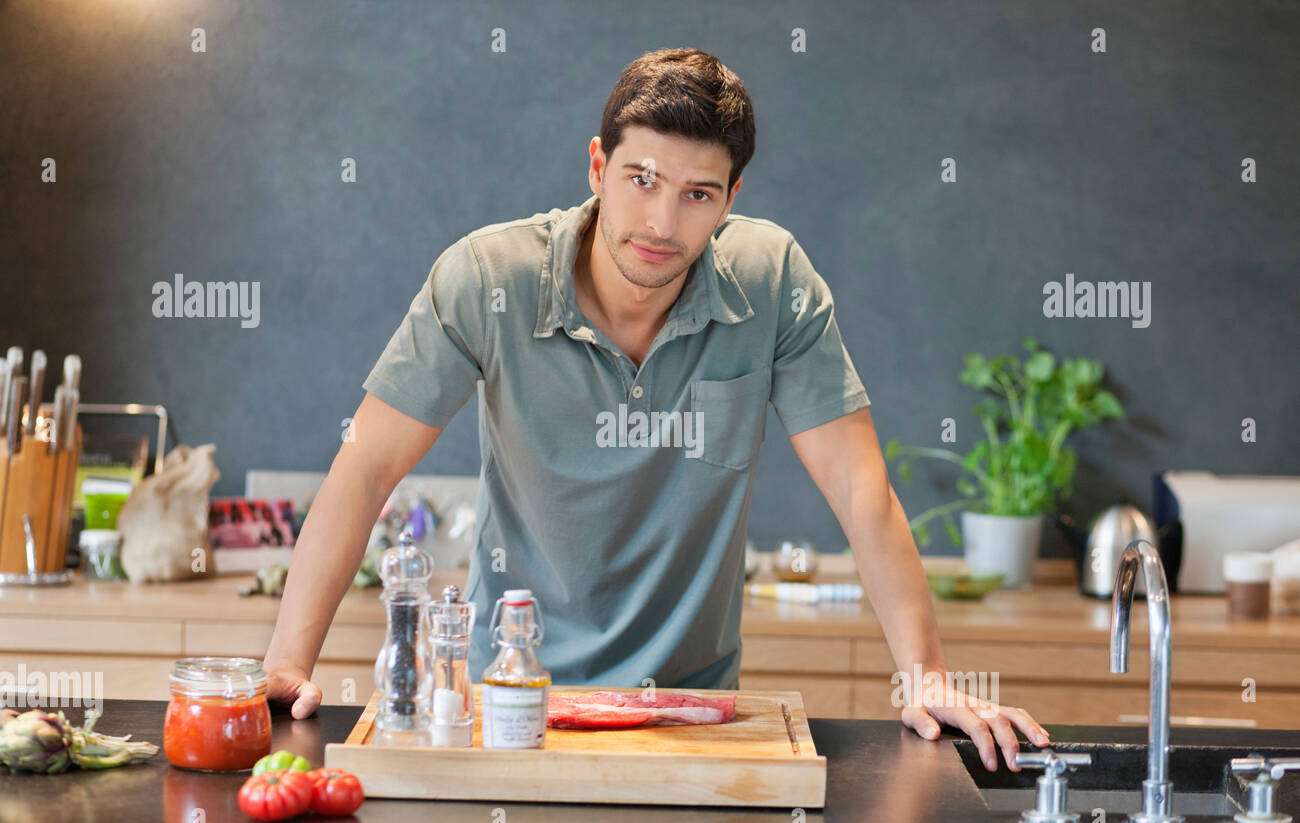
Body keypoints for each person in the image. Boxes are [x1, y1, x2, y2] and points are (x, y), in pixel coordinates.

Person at [264, 47, 1049, 773]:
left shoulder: (774, 281)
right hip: (508, 699)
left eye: (697, 194)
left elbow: (859, 488)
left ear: (730, 198)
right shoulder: (484, 278)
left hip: (692, 713)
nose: (662, 225)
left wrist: (928, 676)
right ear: (599, 165)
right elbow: (365, 467)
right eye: (642, 180)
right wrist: (288, 664)